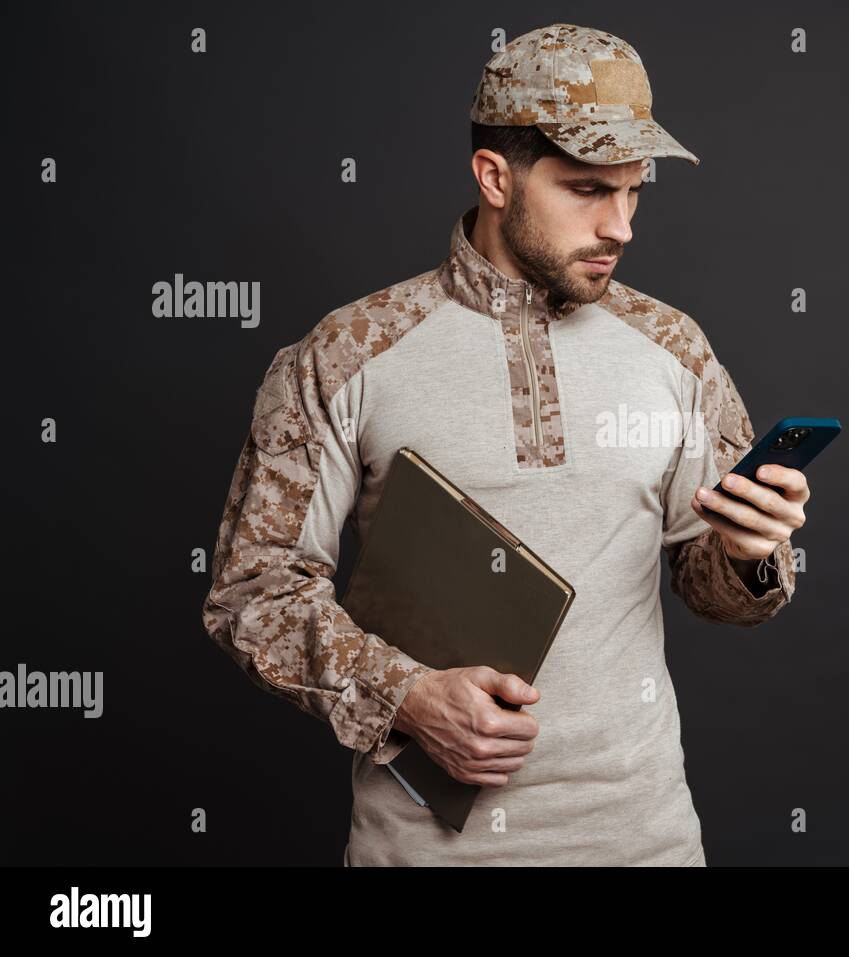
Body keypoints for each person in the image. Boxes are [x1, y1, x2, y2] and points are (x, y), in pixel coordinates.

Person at [201, 22, 811, 866]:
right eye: (588, 190)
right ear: (495, 176)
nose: (621, 226)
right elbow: (251, 590)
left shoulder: (676, 348)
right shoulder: (347, 354)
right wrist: (407, 694)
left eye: (635, 192)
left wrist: (747, 552)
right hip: (420, 851)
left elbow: (714, 588)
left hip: (645, 842)